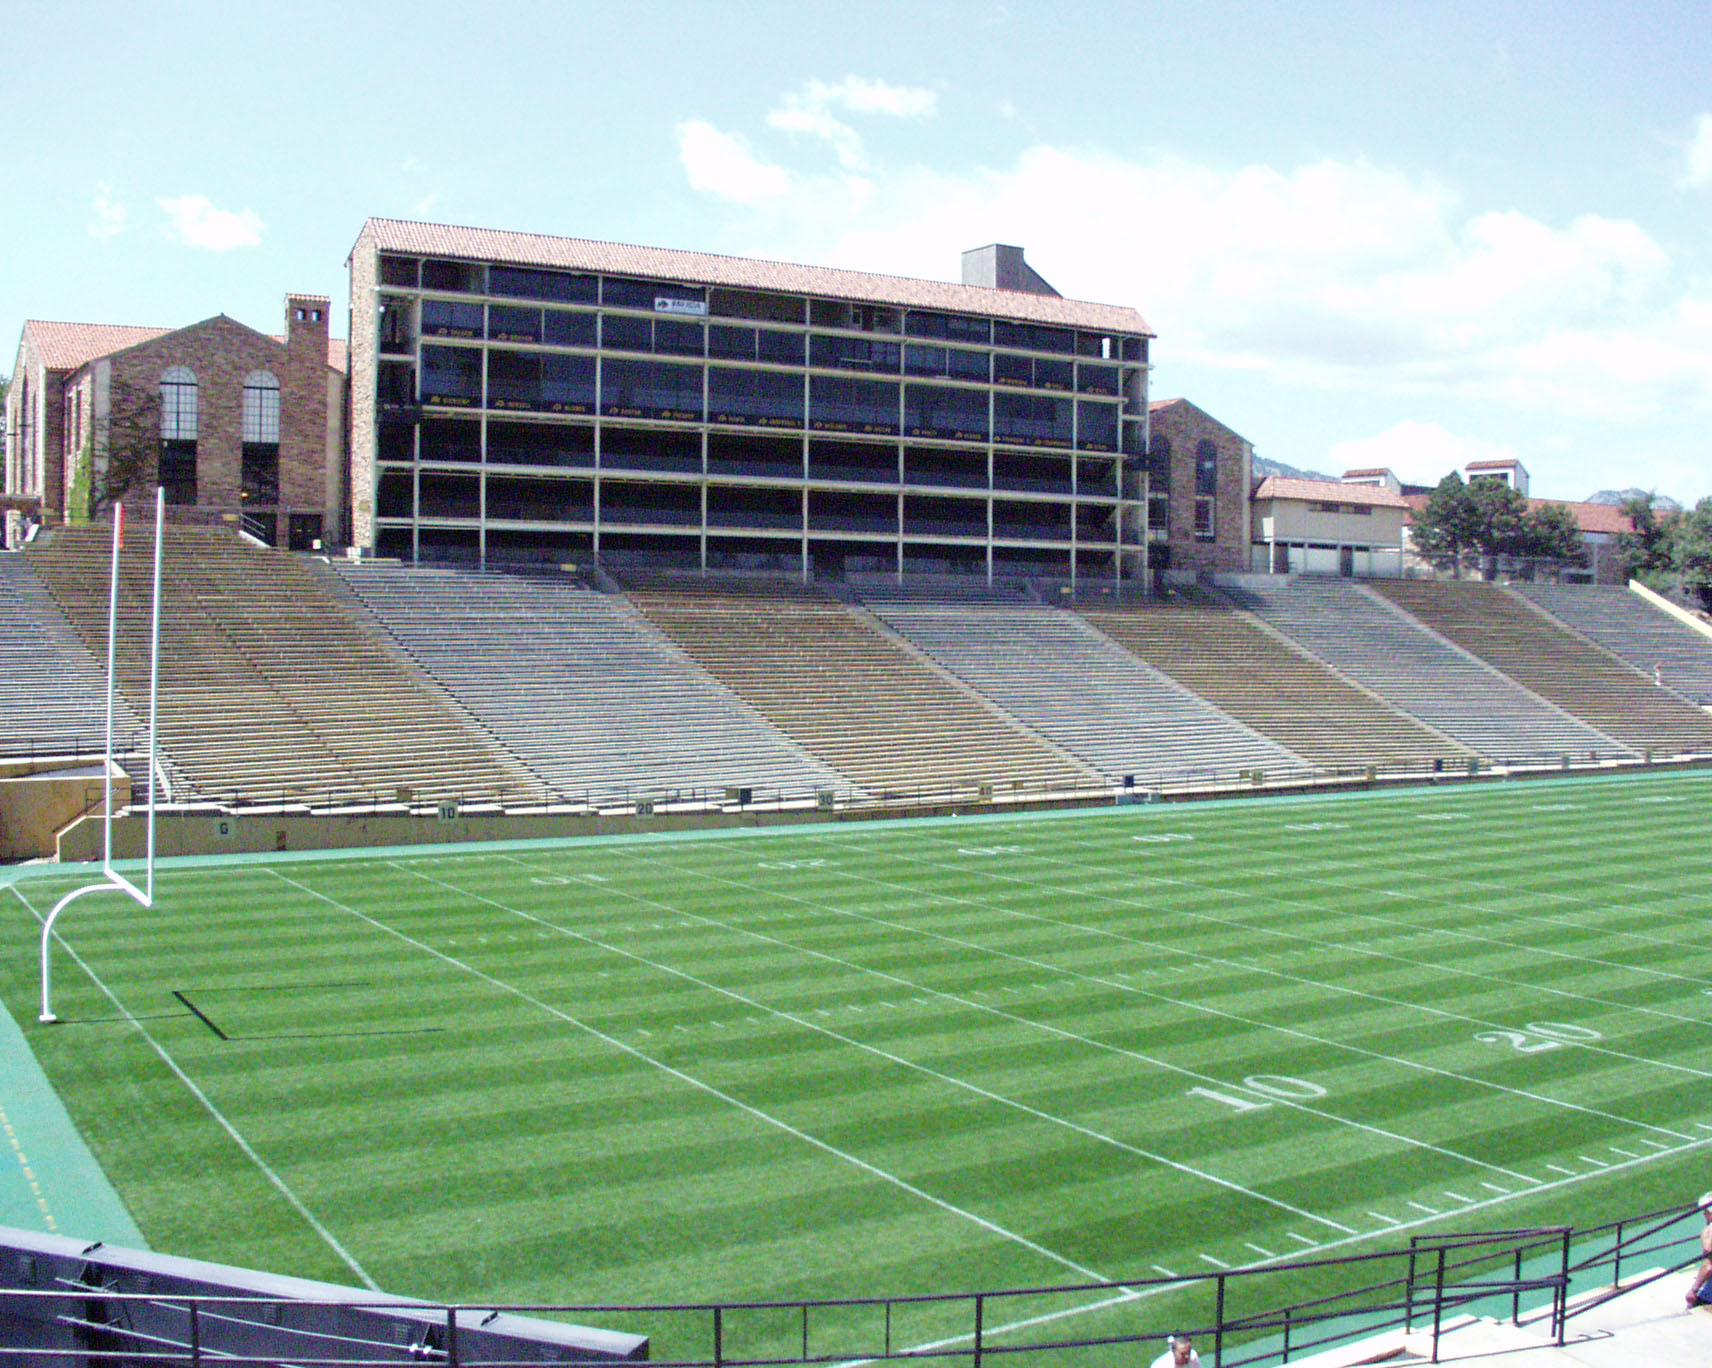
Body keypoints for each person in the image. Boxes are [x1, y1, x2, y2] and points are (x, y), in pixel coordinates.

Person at [1686, 1192, 1712, 1309]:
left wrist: (1693, 1290)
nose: (1704, 1213)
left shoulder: (1708, 1232)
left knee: (1693, 1307)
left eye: (1706, 1211)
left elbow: (1708, 1266)